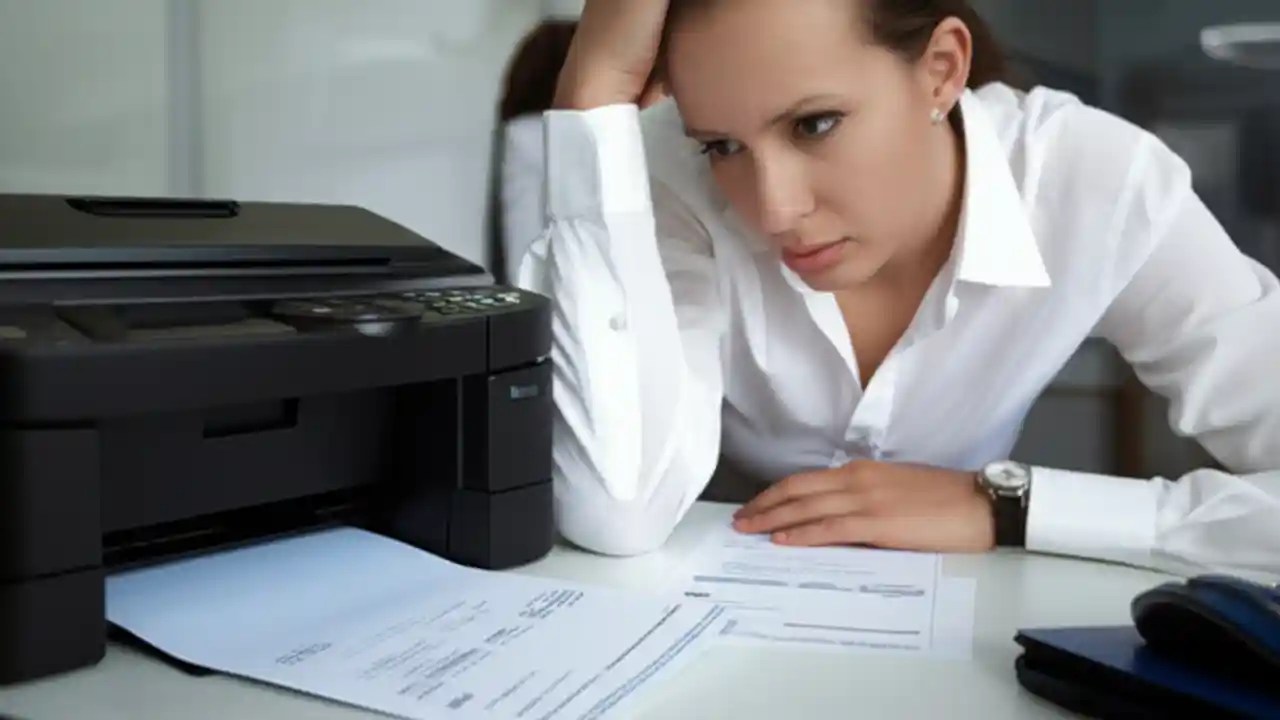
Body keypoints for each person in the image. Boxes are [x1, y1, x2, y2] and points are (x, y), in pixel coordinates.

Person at [513, 0, 1280, 582]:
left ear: (942, 69)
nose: (774, 207)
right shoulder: (665, 182)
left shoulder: (1097, 183)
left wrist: (1010, 506)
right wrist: (593, 89)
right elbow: (617, 509)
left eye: (815, 125)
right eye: (722, 145)